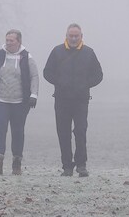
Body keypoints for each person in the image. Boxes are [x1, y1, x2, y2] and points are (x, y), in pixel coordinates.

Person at [42, 23, 103, 177]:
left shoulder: (89, 53)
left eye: (76, 36)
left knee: (80, 131)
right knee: (63, 133)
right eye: (71, 36)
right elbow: (47, 72)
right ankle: (67, 166)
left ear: (81, 36)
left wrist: (85, 85)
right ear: (66, 36)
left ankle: (81, 165)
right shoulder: (57, 51)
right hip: (62, 99)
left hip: (81, 100)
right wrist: (60, 82)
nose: (74, 38)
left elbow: (98, 75)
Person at [0, 29, 39, 175]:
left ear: (19, 41)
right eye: (7, 40)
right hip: (0, 100)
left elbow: (34, 76)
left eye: (12, 40)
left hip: (20, 102)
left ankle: (16, 163)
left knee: (18, 131)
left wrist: (34, 95)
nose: (9, 43)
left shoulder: (27, 57)